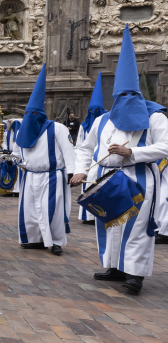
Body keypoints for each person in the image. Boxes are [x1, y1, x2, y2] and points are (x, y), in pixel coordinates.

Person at [71, 29, 168, 295]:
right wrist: (80, 170)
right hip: (106, 177)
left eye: (130, 96)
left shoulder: (155, 118)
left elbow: (166, 146)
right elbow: (85, 147)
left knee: (136, 228)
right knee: (109, 223)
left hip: (139, 178)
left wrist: (133, 153)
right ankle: (114, 266)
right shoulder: (102, 119)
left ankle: (135, 275)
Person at [14, 66, 76, 255]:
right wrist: (15, 162)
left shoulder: (57, 128)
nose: (29, 119)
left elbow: (68, 151)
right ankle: (33, 239)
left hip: (52, 176)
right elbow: (18, 152)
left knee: (54, 210)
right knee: (30, 210)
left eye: (33, 115)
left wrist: (72, 172)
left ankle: (55, 241)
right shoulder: (23, 130)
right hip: (30, 176)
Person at [78, 74, 105, 224]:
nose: (93, 113)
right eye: (91, 110)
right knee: (87, 187)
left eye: (97, 110)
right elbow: (81, 145)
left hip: (101, 159)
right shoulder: (84, 126)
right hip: (88, 162)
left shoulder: (105, 124)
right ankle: (88, 215)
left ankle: (98, 214)